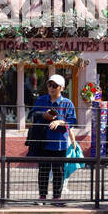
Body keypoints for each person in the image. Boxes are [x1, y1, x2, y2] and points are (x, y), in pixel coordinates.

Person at [27, 74, 76, 206]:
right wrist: (43, 115)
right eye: (50, 85)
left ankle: (57, 198)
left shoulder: (67, 103)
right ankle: (42, 197)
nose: (51, 88)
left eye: (55, 86)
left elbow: (72, 121)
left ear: (62, 88)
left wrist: (60, 122)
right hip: (43, 141)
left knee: (58, 171)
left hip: (60, 143)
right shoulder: (41, 100)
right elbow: (31, 115)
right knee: (43, 170)